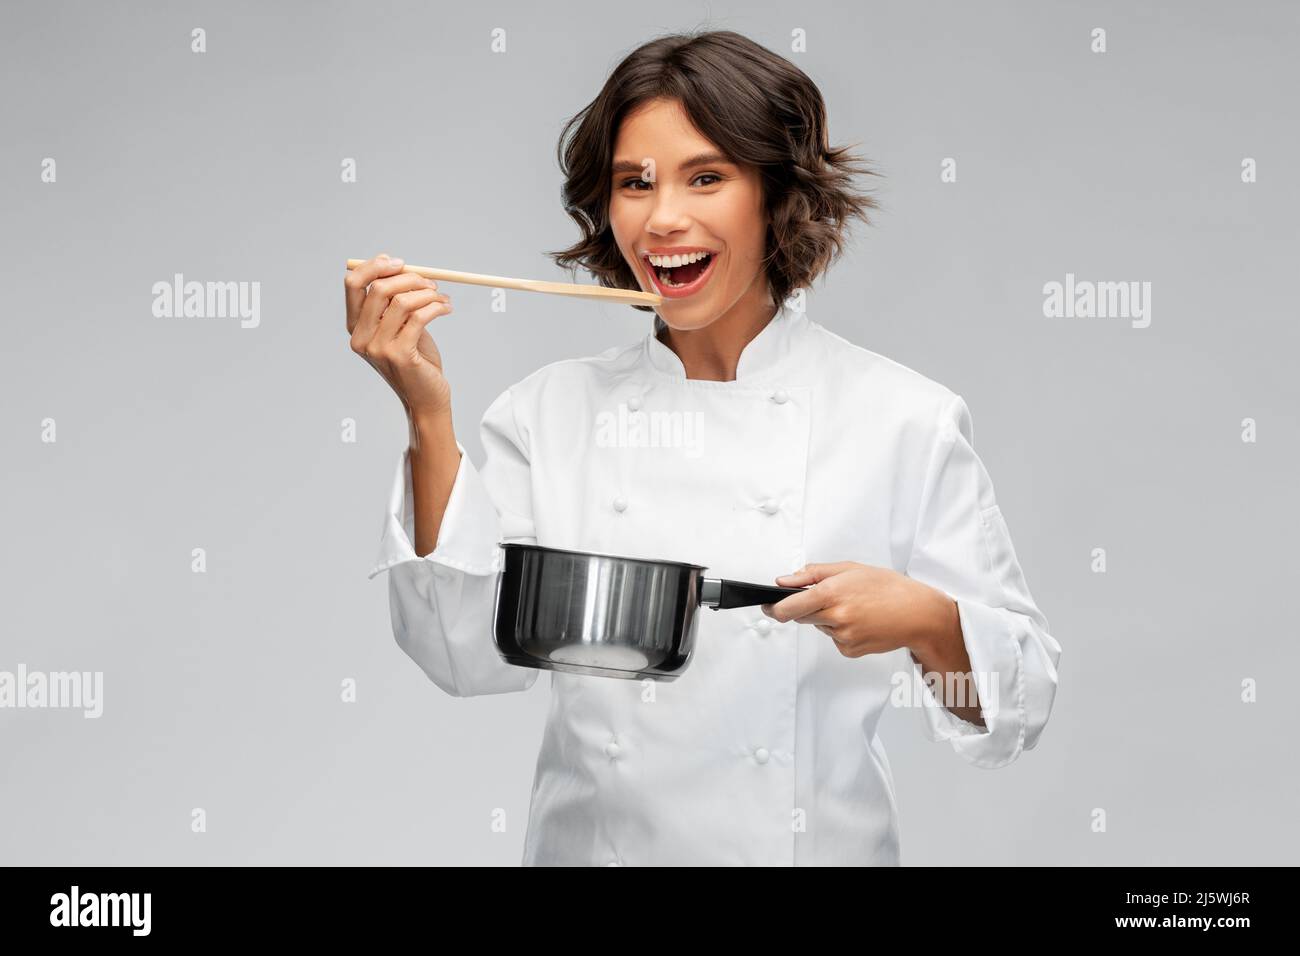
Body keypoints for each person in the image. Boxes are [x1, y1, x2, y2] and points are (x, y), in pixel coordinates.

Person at [346, 30, 1061, 866]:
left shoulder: (902, 418)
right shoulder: (549, 413)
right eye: (634, 183)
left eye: (707, 177)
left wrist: (929, 621)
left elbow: (1018, 706)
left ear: (776, 195)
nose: (663, 219)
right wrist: (428, 414)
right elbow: (462, 654)